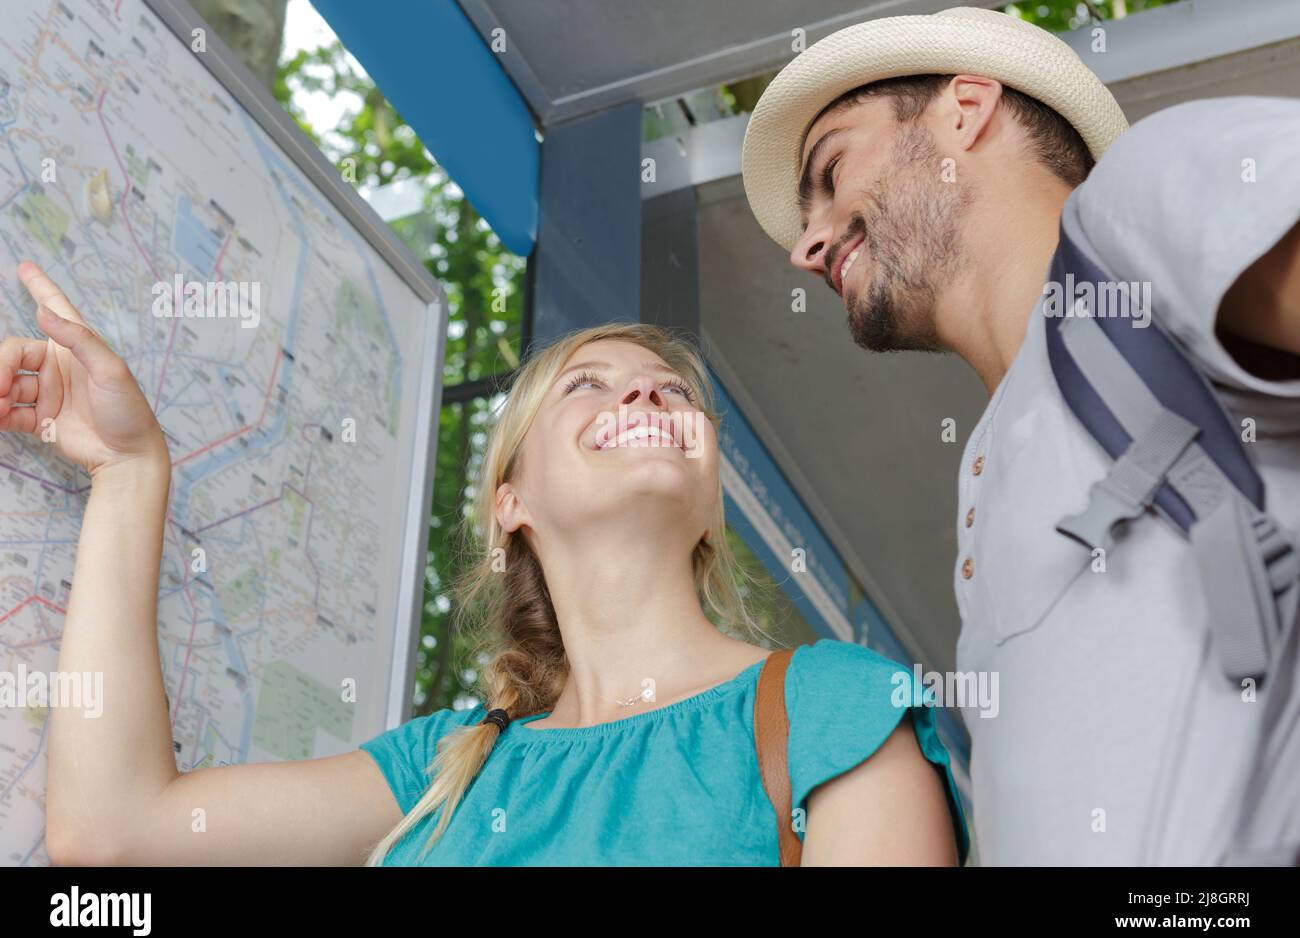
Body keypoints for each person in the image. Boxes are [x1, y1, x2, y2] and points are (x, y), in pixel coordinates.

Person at [14, 266, 967, 865]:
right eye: (586, 386)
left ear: (710, 500)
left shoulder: (836, 707)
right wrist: (131, 475)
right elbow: (114, 834)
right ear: (510, 503)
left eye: (671, 389)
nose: (642, 386)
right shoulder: (445, 769)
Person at [740, 5, 1300, 864]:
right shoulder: (987, 470)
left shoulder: (1135, 204)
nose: (805, 246)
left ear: (966, 109)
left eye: (832, 167)